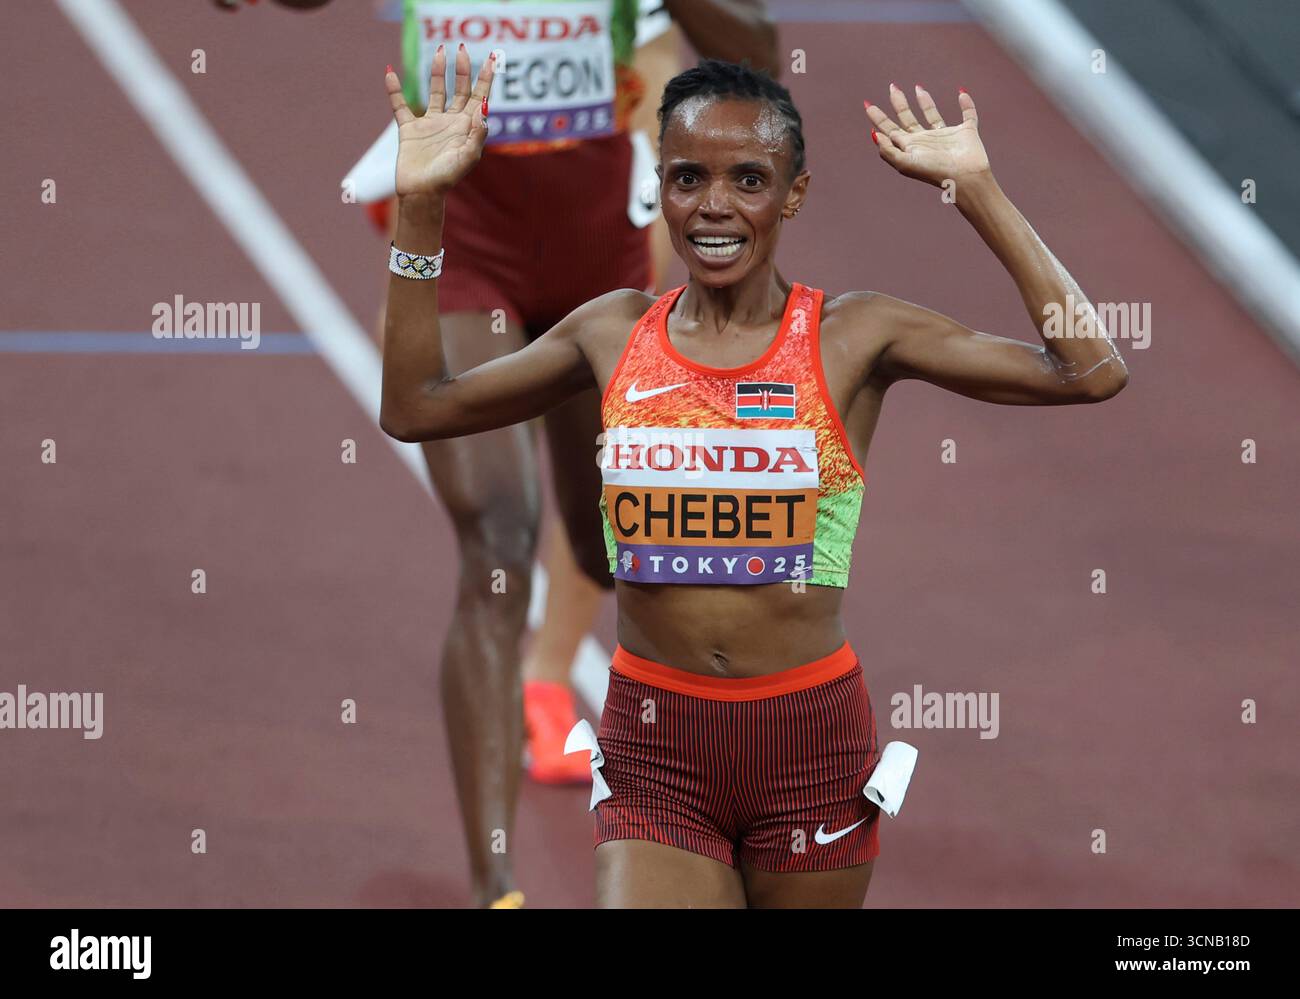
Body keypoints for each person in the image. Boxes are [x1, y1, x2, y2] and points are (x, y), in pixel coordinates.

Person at [377, 53, 1129, 907]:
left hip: (808, 745)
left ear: (793, 195)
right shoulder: (612, 332)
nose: (715, 207)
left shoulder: (855, 336)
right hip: (655, 744)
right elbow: (416, 406)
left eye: (748, 179)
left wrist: (979, 190)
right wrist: (423, 206)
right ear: (660, 185)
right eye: (689, 178)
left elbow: (1090, 368)